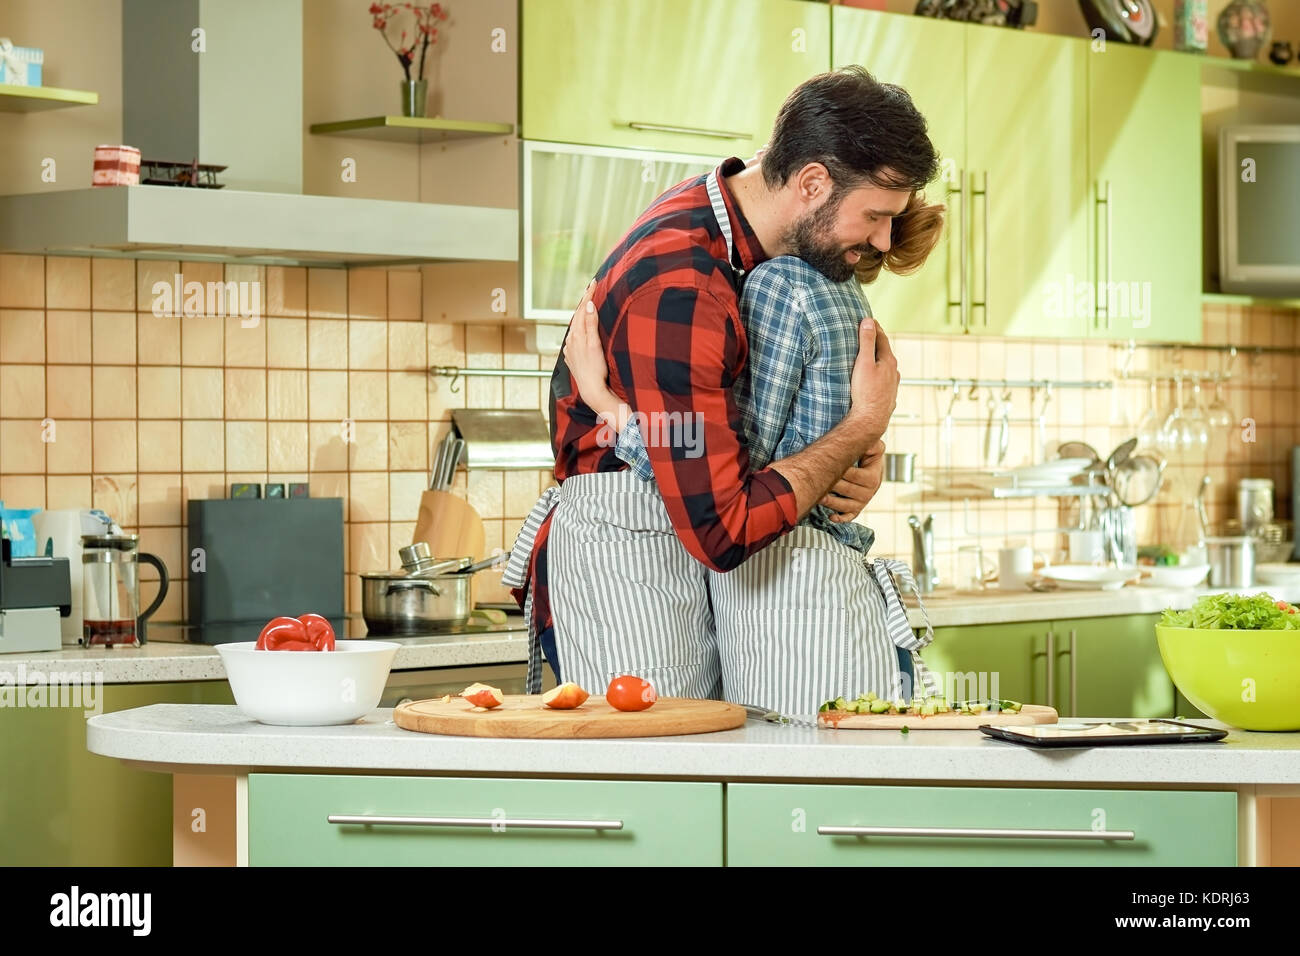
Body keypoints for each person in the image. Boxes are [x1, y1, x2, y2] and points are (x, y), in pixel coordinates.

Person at [503, 67, 939, 702]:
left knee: (735, 757)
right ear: (811, 183)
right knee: (659, 768)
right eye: (874, 216)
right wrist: (858, 429)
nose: (882, 239)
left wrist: (853, 457)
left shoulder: (750, 215)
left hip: (709, 528)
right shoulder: (683, 287)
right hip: (630, 539)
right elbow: (724, 529)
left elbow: (750, 432)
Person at [563, 192, 947, 714]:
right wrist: (860, 440)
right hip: (822, 568)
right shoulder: (844, 293)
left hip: (788, 579)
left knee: (775, 769)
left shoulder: (778, 286)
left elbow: (733, 475)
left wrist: (605, 404)